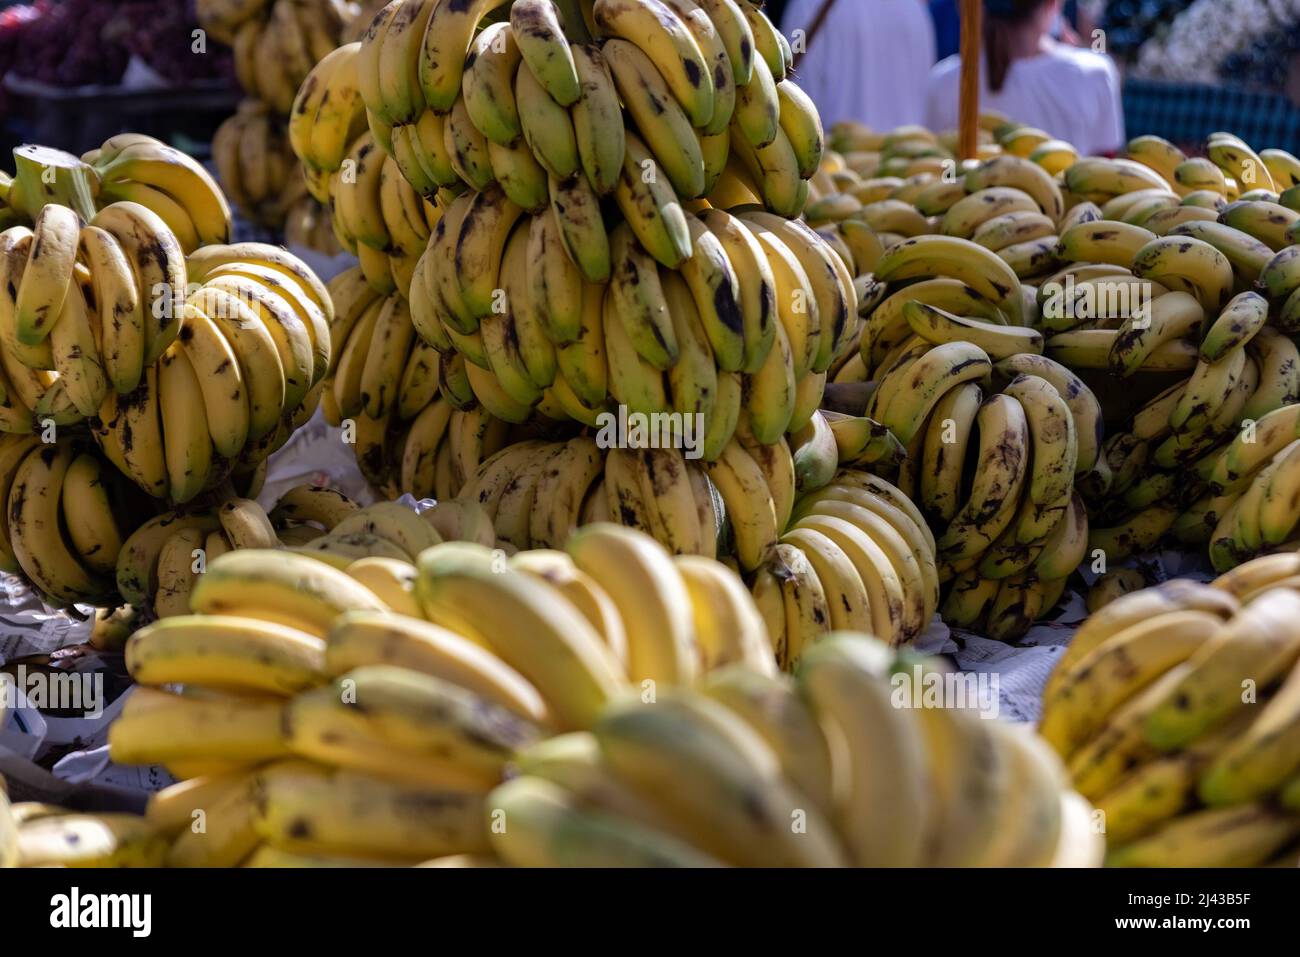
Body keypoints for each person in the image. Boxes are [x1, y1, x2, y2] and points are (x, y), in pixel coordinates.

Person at [925, 0, 1124, 155]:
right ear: (1053, 4)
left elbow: (936, 163)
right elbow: (1106, 165)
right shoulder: (1094, 73)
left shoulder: (944, 81)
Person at [781, 0, 936, 132]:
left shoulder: (808, 5)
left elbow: (795, 101)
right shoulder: (915, 8)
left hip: (833, 161)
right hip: (910, 159)